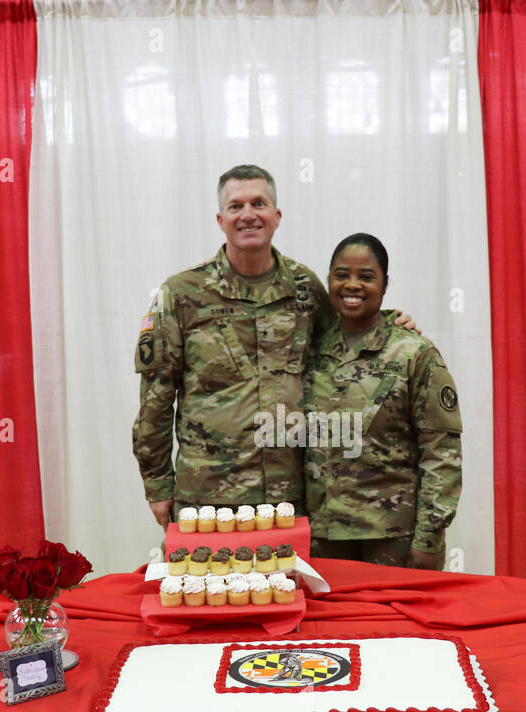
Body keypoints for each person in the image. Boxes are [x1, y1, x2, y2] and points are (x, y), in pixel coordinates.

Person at [132, 165, 416, 528]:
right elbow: (155, 398)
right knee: (208, 584)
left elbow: (346, 342)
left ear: (276, 216)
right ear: (220, 219)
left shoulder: (304, 288)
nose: (248, 214)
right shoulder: (181, 294)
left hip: (290, 495)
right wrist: (157, 484)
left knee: (285, 585)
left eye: (259, 203)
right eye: (236, 206)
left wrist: (390, 325)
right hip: (207, 496)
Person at [304, 234, 462, 570]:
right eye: (342, 274)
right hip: (323, 536)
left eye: (366, 276)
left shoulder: (413, 353)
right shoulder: (309, 347)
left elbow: (442, 454)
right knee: (333, 625)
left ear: (385, 284)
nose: (352, 285)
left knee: (397, 624)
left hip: (394, 537)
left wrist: (429, 539)